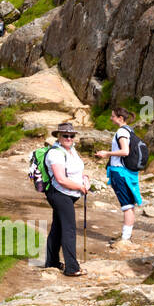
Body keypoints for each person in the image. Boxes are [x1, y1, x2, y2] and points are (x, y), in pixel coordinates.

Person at [43, 122, 89, 277]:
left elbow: (79, 170)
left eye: (71, 135)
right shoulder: (55, 153)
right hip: (59, 194)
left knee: (58, 227)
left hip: (69, 194)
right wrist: (80, 187)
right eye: (65, 135)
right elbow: (61, 179)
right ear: (58, 136)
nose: (69, 138)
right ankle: (72, 268)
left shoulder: (72, 150)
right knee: (69, 230)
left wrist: (85, 179)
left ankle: (52, 262)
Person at [95, 106, 144, 250]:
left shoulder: (122, 132)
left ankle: (125, 239)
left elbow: (125, 151)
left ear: (120, 118)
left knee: (127, 206)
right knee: (129, 205)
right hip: (128, 172)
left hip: (120, 172)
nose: (111, 118)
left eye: (113, 116)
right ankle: (126, 235)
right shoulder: (130, 130)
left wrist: (106, 153)